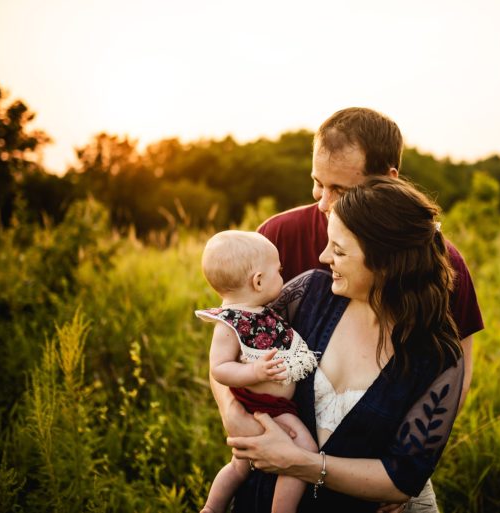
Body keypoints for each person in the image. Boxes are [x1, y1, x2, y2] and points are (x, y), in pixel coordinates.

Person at [209, 108, 483, 510]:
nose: (325, 204)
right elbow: (232, 334)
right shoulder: (274, 243)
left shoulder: (439, 266)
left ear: (387, 184)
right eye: (318, 184)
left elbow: (448, 383)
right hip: (273, 450)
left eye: (342, 189)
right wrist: (235, 415)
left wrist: (401, 475)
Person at [196, 231, 319, 513]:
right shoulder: (229, 323)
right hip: (263, 406)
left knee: (240, 466)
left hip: (273, 405)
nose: (283, 275)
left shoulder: (261, 313)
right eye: (279, 271)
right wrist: (255, 371)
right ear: (259, 281)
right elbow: (220, 369)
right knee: (304, 453)